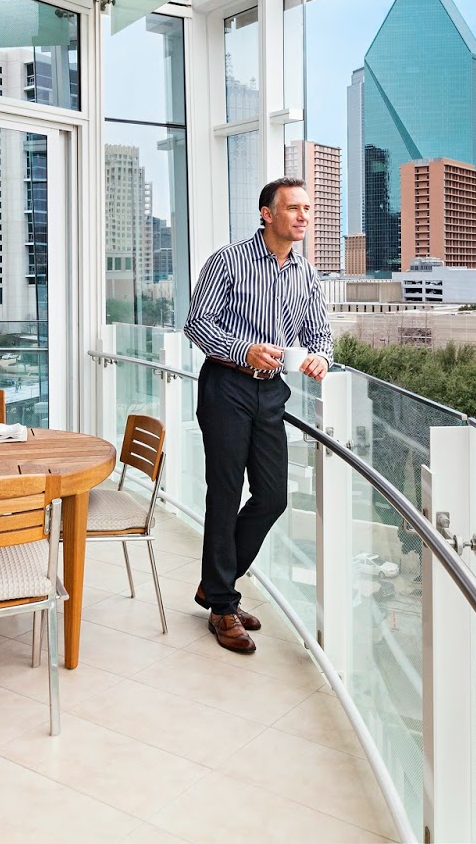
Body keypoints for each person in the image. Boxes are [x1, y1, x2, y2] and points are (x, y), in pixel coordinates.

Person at [184, 177, 331, 653]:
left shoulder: (306, 274)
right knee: (225, 493)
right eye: (293, 208)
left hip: (272, 393)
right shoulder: (228, 261)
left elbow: (320, 334)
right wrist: (244, 350)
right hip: (226, 386)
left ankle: (215, 584)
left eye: (307, 208)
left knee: (272, 496)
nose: (303, 216)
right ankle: (223, 606)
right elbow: (197, 324)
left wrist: (320, 358)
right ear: (267, 213)